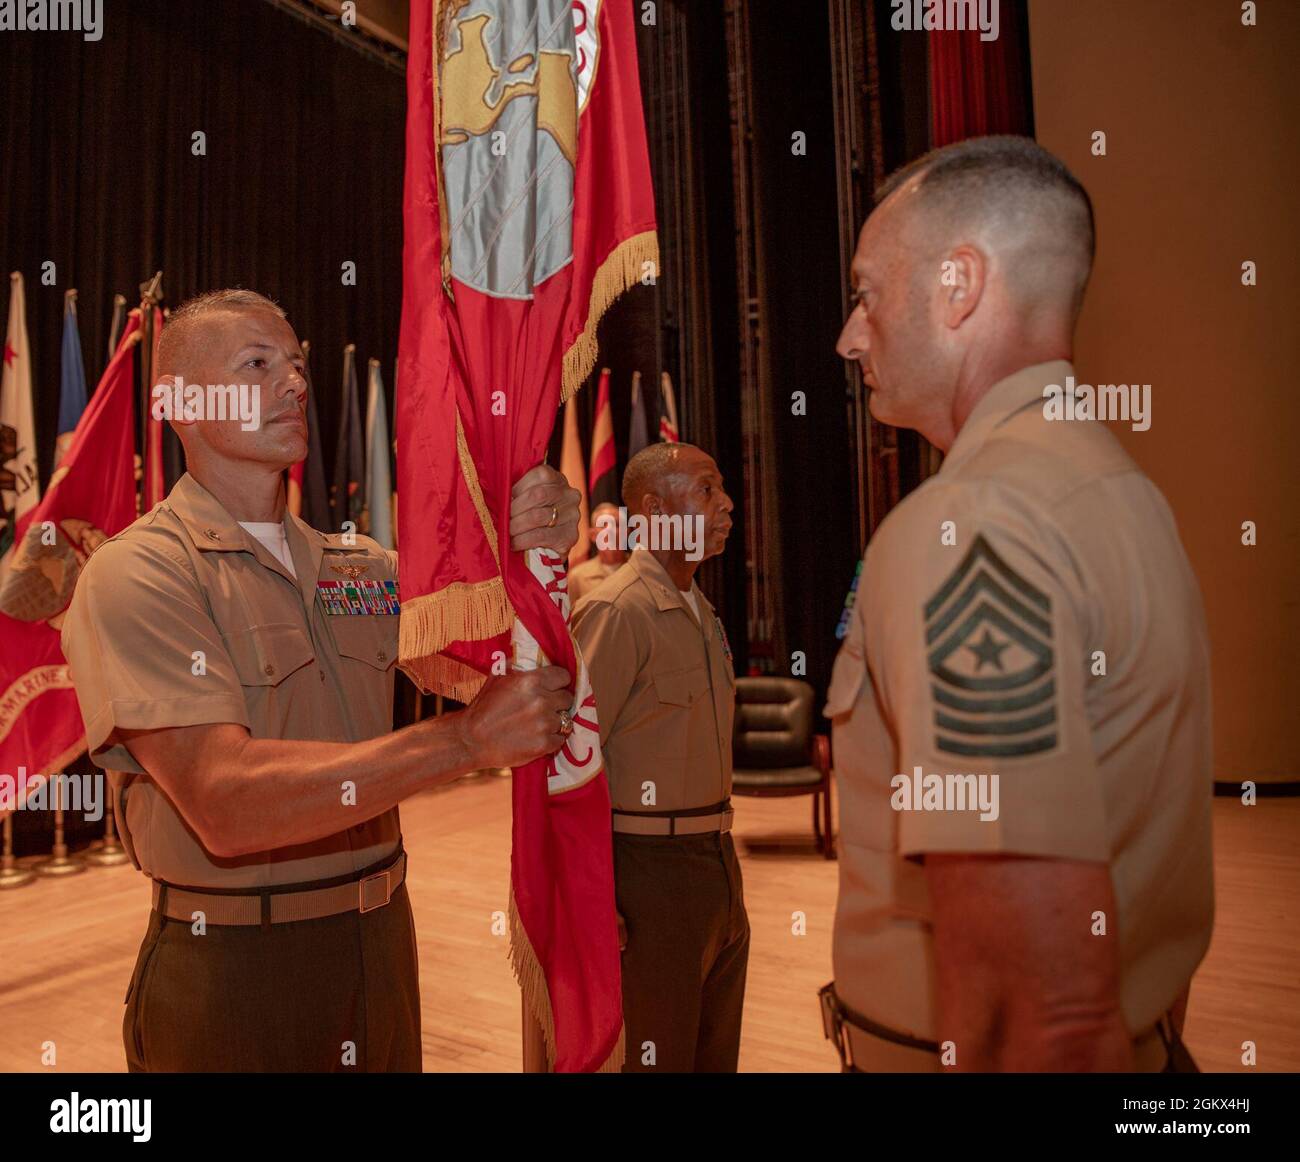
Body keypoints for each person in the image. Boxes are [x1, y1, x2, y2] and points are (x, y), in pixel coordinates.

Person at [60, 289, 581, 1072]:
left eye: (298, 365)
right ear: (180, 403)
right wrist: (464, 742)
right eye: (258, 364)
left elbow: (500, 670)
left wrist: (533, 546)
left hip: (381, 947)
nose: (296, 384)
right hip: (238, 964)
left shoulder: (359, 566)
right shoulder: (138, 574)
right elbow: (224, 801)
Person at [823, 136, 1212, 1072]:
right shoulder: (1122, 490)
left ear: (958, 285)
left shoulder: (972, 527)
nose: (849, 334)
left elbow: (1037, 1015)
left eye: (869, 292)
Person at [570, 443, 744, 1072]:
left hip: (716, 860)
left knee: (712, 1054)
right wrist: (594, 896)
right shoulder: (618, 612)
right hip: (646, 872)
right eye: (706, 489)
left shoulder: (701, 610)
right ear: (654, 508)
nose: (726, 504)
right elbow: (568, 763)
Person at [566, 501, 627, 604]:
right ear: (593, 535)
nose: (610, 531)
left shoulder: (640, 570)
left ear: (627, 532)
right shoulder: (577, 577)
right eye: (603, 525)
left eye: (617, 525)